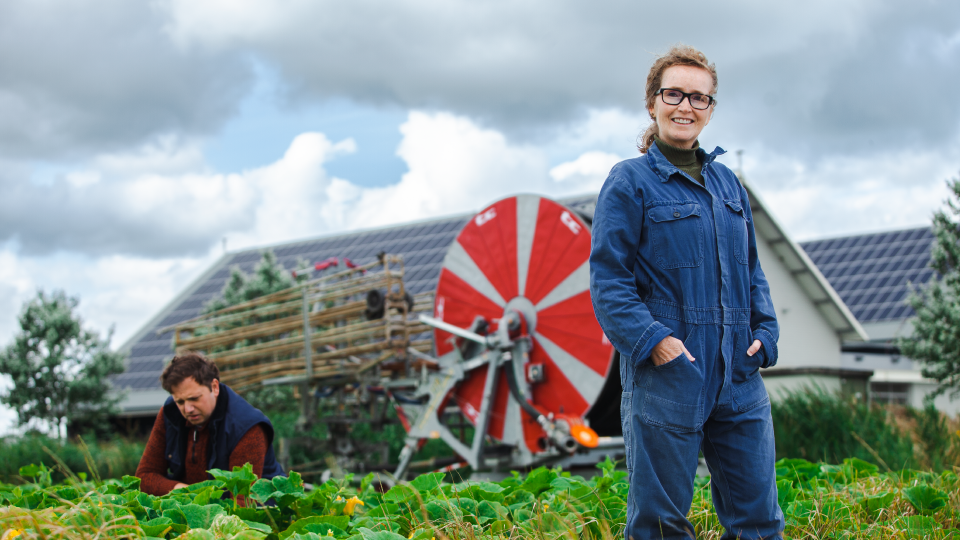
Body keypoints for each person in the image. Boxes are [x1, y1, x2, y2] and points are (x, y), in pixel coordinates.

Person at [589, 44, 783, 539]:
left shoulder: (728, 185)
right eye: (674, 94)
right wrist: (655, 341)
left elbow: (753, 271)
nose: (686, 107)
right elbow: (609, 282)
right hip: (668, 375)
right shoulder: (629, 182)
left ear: (711, 109)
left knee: (759, 520)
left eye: (700, 98)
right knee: (661, 525)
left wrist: (766, 331)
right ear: (652, 102)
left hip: (739, 373)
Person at [136, 352, 284, 495]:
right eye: (180, 402)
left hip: (261, 513)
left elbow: (243, 501)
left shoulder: (246, 427)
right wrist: (184, 492)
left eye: (194, 398)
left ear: (214, 387)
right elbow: (145, 476)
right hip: (196, 509)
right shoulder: (170, 412)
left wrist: (192, 498)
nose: (188, 409)